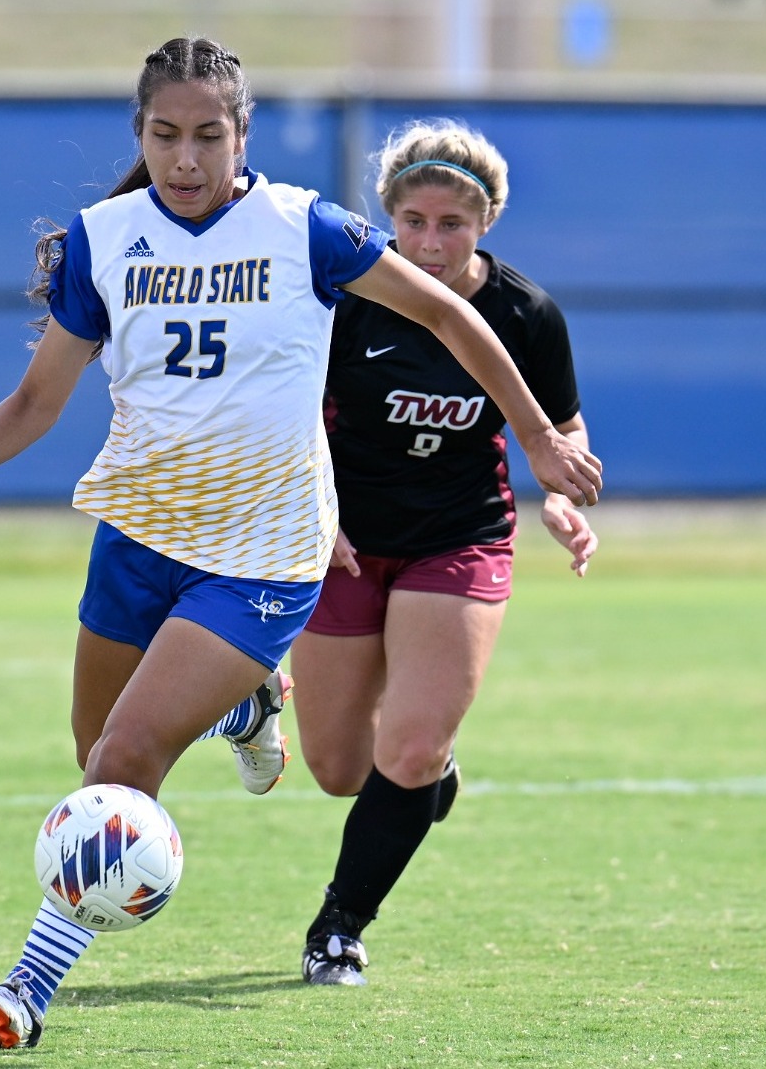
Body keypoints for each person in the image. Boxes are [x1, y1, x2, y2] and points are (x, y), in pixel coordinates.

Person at [0, 41, 602, 1049]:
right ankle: (246, 706)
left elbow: (451, 314)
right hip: (139, 536)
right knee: (96, 760)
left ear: (242, 137)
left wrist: (536, 438)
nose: (185, 158)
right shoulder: (103, 242)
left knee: (128, 756)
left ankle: (28, 987)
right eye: (164, 135)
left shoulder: (304, 229)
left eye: (207, 136)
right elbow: (38, 398)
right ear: (140, 135)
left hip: (264, 551)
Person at [291, 119, 599, 986]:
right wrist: (315, 510)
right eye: (414, 222)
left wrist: (563, 500)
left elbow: (562, 431)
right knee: (339, 769)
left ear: (487, 222)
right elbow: (292, 418)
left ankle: (339, 928)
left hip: (459, 537)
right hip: (346, 543)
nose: (429, 243)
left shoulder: (526, 314)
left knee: (412, 749)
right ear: (387, 217)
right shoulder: (348, 300)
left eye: (452, 225)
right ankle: (429, 773)